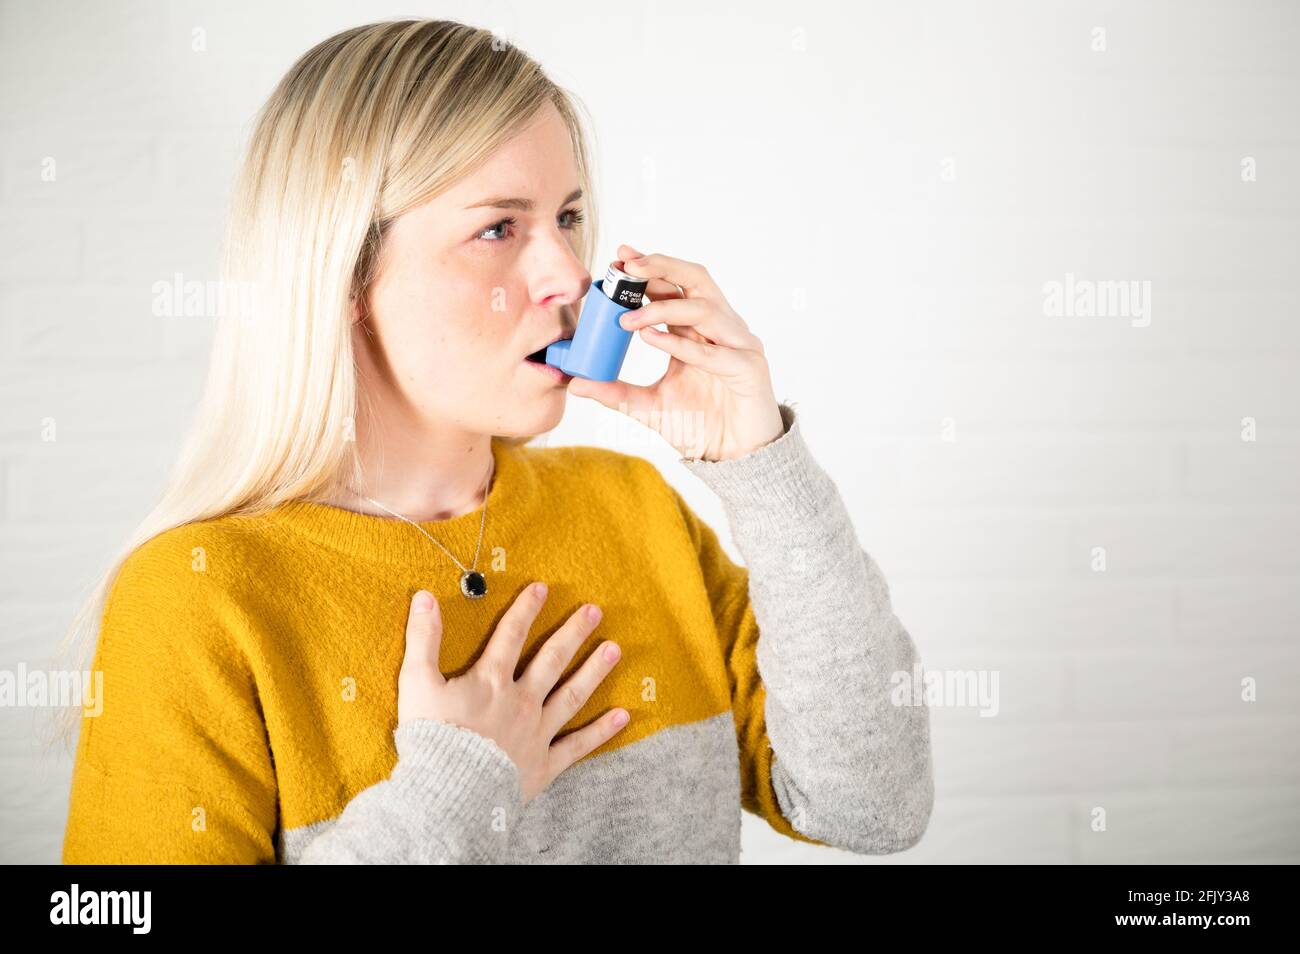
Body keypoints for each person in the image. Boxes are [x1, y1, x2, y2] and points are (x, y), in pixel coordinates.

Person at [57, 18, 934, 864]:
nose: (567, 276)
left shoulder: (635, 512)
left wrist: (760, 466)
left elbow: (873, 805)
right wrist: (456, 790)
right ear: (345, 275)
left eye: (568, 218)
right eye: (497, 228)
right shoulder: (196, 601)